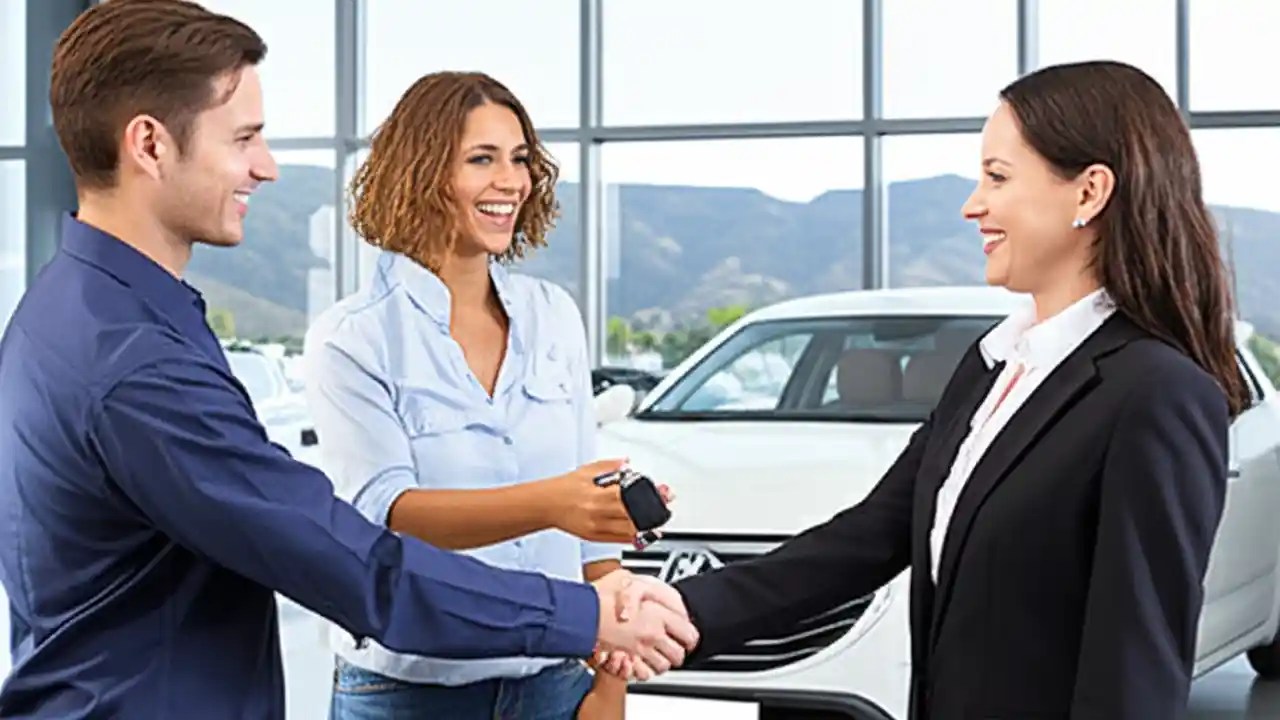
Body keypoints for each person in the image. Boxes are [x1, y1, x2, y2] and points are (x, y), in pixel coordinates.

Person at [0, 2, 696, 718]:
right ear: (149, 144)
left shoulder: (81, 313)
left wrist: (596, 639)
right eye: (243, 138)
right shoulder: (135, 359)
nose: (265, 168)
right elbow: (355, 565)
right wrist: (586, 616)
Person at [611, 60, 1248, 720]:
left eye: (998, 177)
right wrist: (689, 606)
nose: (973, 204)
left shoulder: (1158, 394)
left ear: (1088, 193)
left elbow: (1135, 669)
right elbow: (869, 536)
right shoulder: (996, 367)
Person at [303, 70, 655, 719]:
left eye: (520, 159)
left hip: (557, 685)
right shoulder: (352, 338)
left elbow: (594, 536)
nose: (512, 182)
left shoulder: (554, 316)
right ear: (423, 172)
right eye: (482, 159)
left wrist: (611, 686)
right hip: (407, 698)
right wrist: (553, 503)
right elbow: (384, 512)